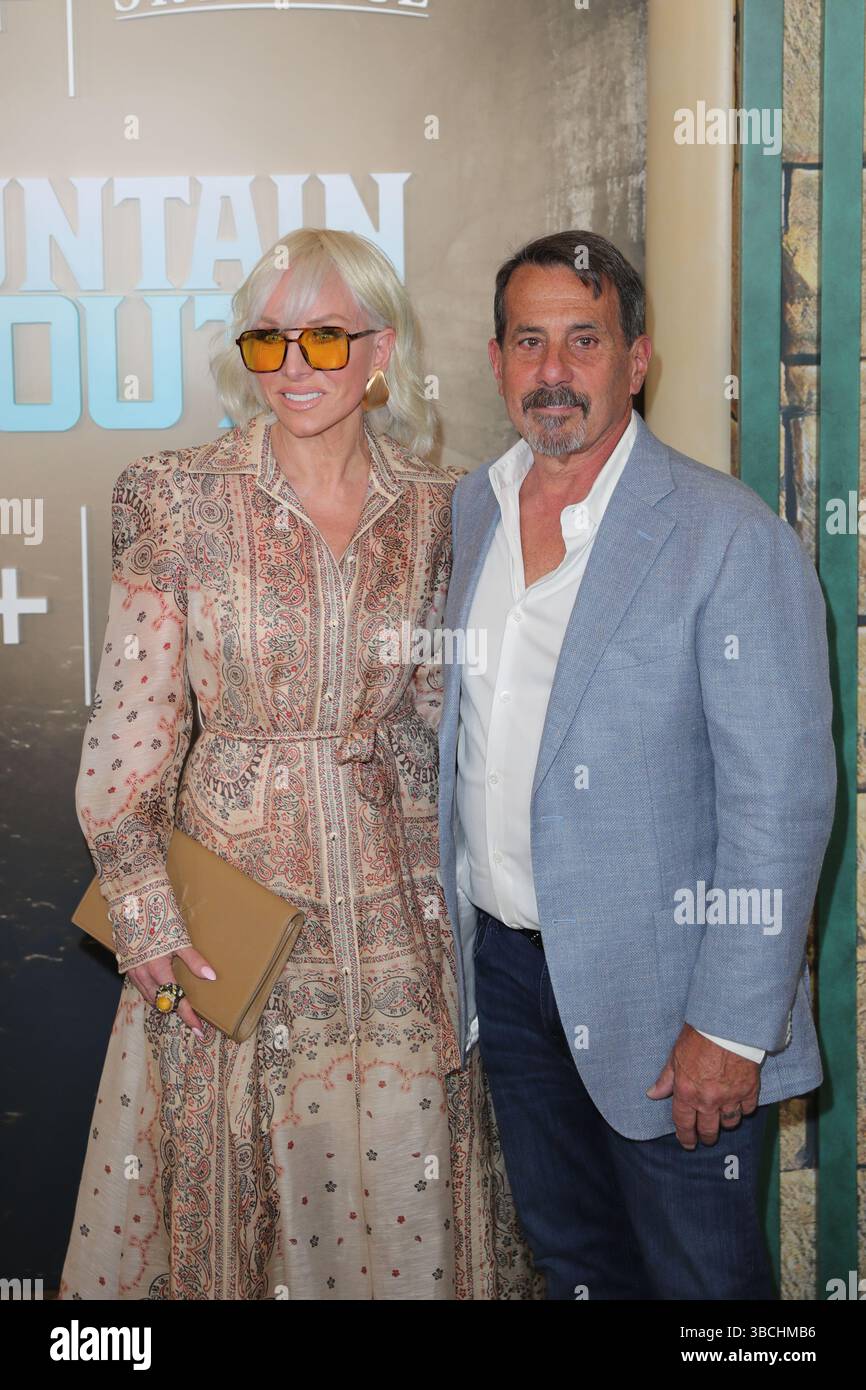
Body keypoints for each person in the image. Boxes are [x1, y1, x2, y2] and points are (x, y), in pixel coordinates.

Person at [59, 228, 540, 1301]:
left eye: (325, 337)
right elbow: (132, 729)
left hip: (396, 930)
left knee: (401, 1193)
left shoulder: (444, 508)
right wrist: (142, 915)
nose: (294, 366)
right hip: (226, 916)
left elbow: (442, 730)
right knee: (236, 1198)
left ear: (379, 355)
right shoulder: (171, 495)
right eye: (269, 340)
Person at [436, 229, 836, 1300]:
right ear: (494, 360)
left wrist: (731, 1025)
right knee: (574, 1269)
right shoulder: (466, 513)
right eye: (529, 342)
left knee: (707, 1289)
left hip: (674, 1008)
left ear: (636, 359)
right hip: (511, 981)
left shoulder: (724, 535)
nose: (552, 371)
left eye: (583, 340)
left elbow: (783, 799)